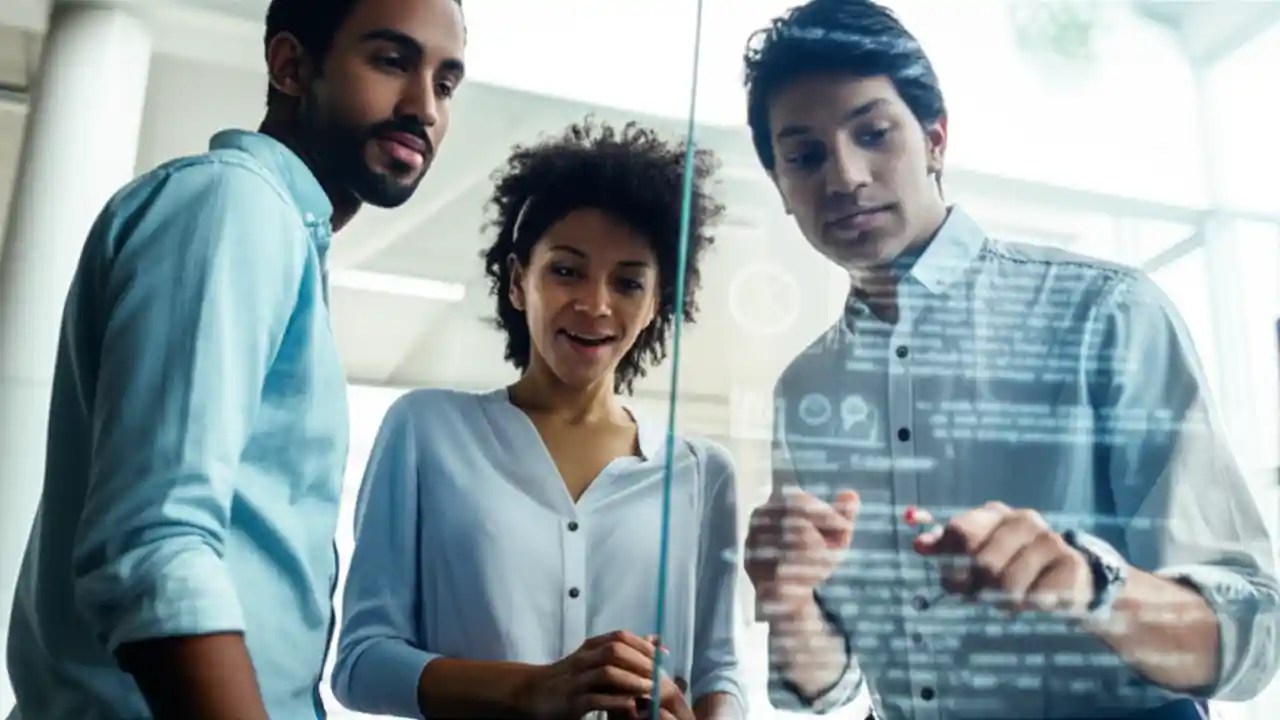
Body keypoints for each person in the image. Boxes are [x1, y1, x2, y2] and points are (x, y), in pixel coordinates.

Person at [738, 1, 1279, 719]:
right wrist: (790, 599)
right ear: (780, 185)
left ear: (935, 140)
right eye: (804, 155)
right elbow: (832, 687)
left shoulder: (1107, 314)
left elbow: (1253, 636)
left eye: (873, 134)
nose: (844, 177)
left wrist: (1095, 585)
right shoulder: (804, 388)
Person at [4, 1, 465, 718]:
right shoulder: (232, 204)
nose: (424, 108)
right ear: (289, 65)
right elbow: (156, 550)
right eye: (391, 61)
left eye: (446, 82)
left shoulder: (282, 237)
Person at [330, 119, 746, 720]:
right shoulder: (427, 432)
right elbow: (361, 664)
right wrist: (534, 688)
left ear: (657, 304)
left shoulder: (704, 473)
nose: (596, 304)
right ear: (518, 281)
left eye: (628, 282)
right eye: (566, 270)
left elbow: (719, 670)